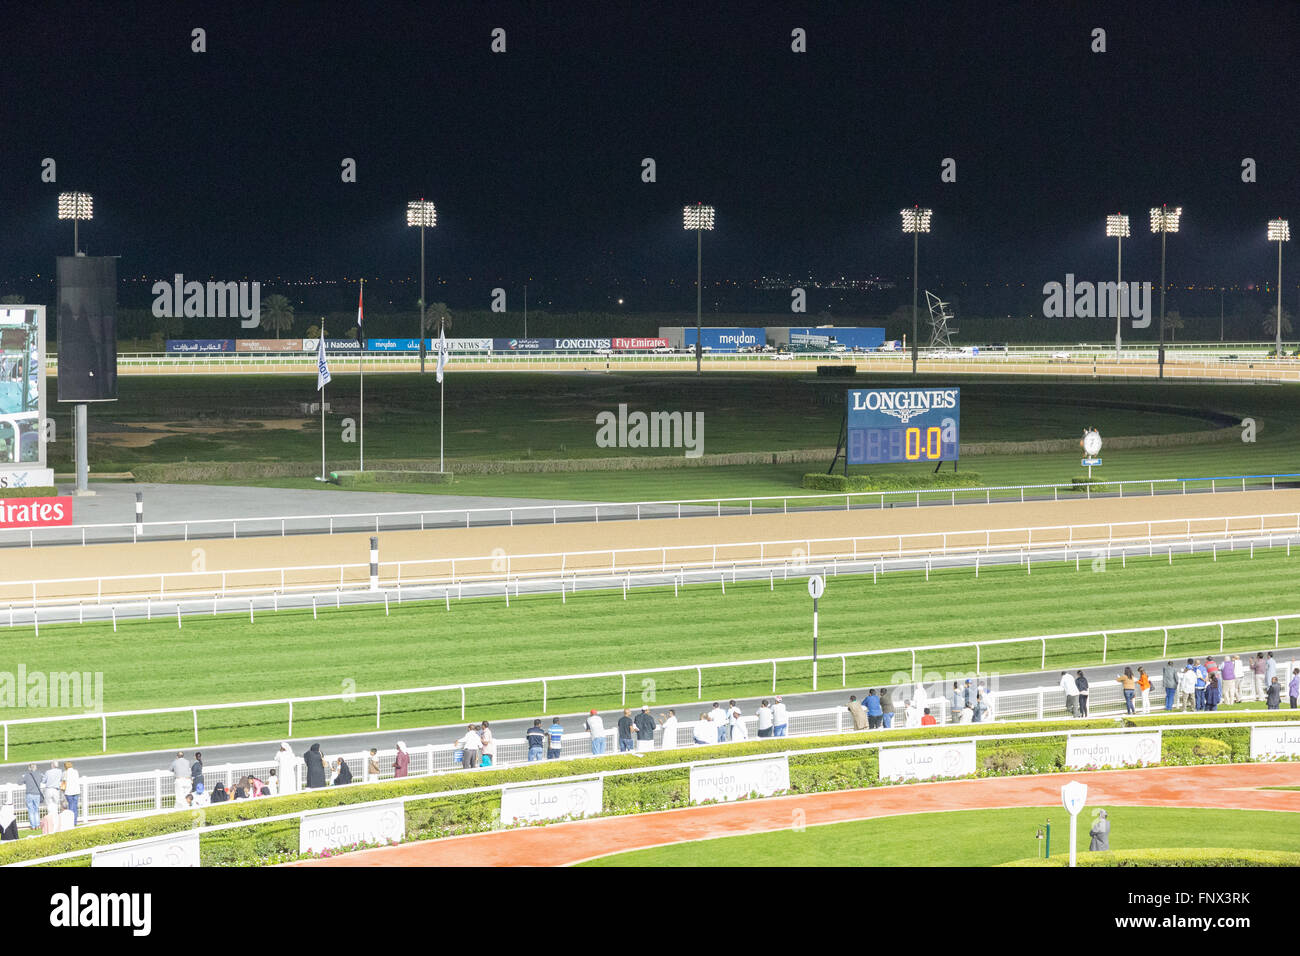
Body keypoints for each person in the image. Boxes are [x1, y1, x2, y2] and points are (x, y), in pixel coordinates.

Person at [21, 763, 42, 831]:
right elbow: (43, 779)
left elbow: (19, 782)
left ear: (29, 768)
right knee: (36, 810)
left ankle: (33, 826)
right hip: (37, 794)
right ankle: (37, 825)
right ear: (35, 768)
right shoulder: (39, 774)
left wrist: (23, 777)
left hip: (29, 794)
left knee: (31, 810)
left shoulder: (27, 775)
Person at [62, 761, 81, 826]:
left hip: (69, 792)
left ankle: (71, 822)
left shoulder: (65, 773)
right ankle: (75, 821)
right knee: (75, 807)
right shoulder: (76, 771)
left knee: (71, 807)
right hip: (76, 791)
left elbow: (63, 781)